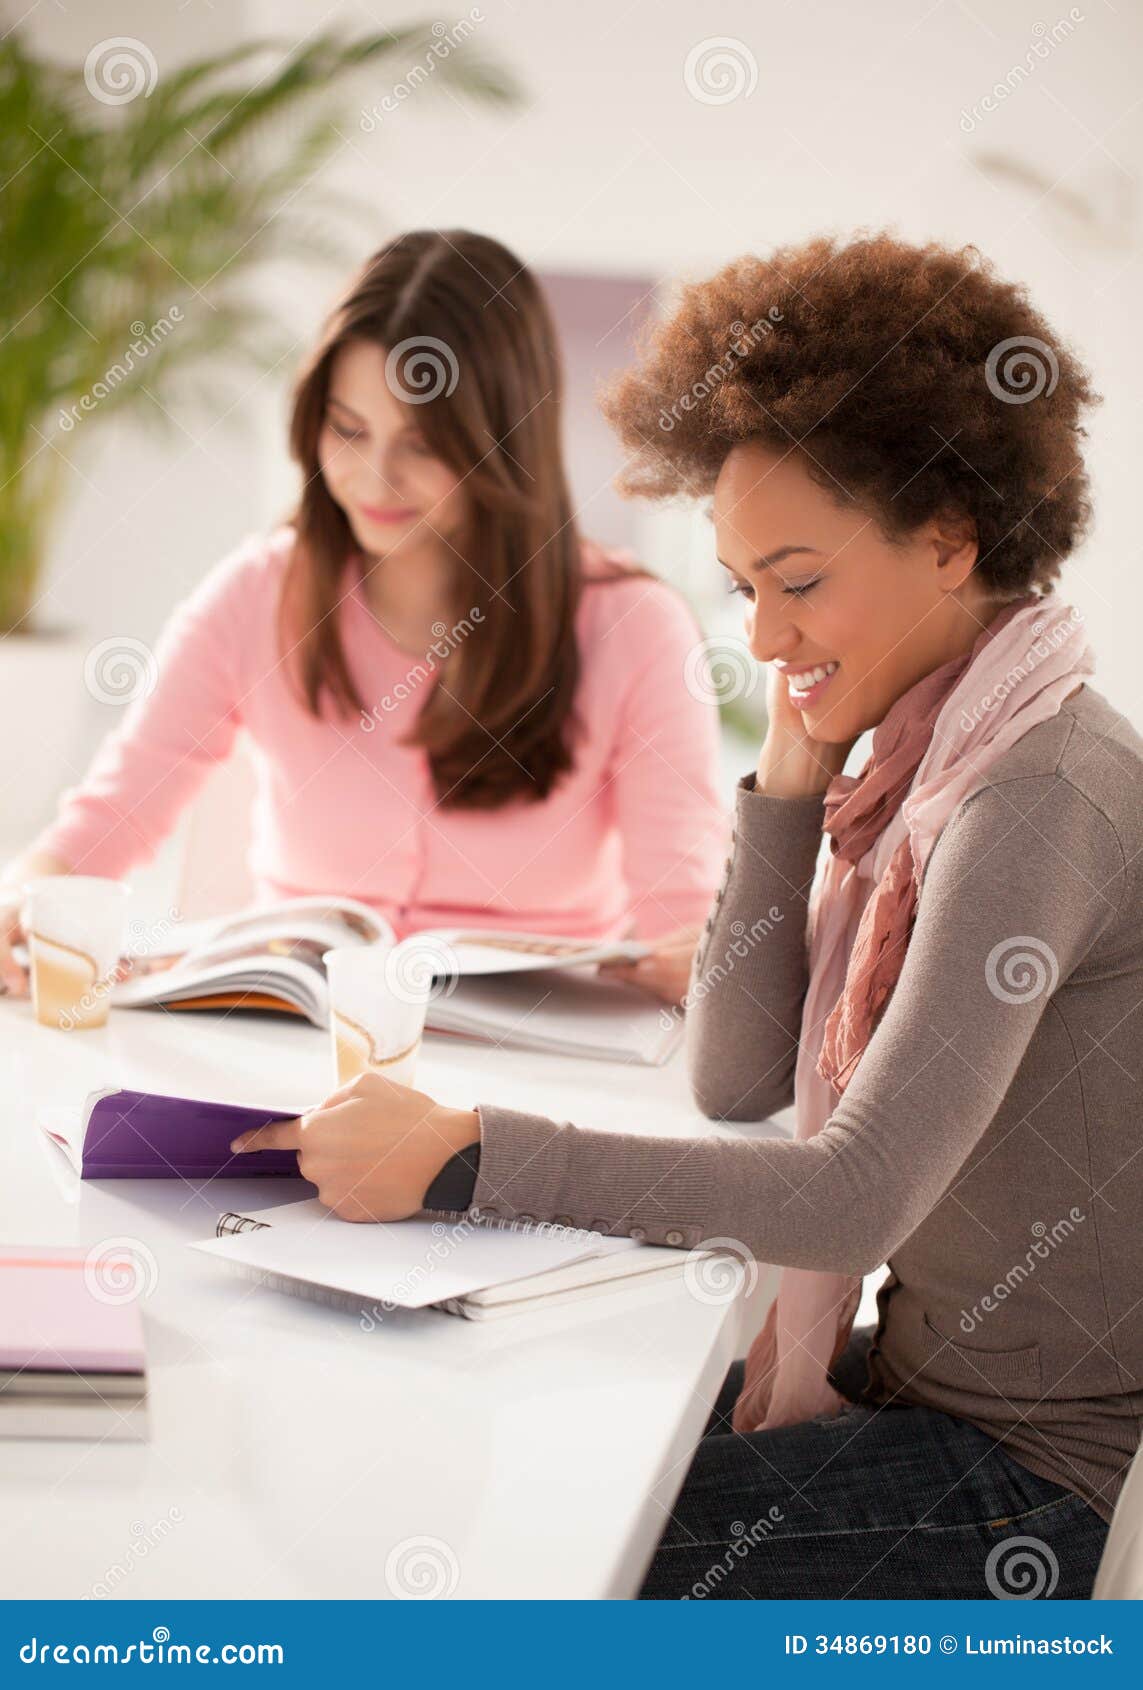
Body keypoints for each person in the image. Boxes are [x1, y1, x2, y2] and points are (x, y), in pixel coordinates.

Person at [231, 231, 1143, 1599]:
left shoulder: (1034, 794)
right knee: (502, 1454)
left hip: (1023, 1481)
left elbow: (848, 1194)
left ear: (950, 541)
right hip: (913, 1394)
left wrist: (468, 1152)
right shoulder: (926, 761)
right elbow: (733, 1074)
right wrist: (782, 790)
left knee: (569, 1555)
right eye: (741, 588)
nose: (764, 639)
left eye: (799, 579)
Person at [0, 229, 726, 996]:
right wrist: (24, 901)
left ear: (505, 441)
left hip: (521, 1072)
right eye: (348, 430)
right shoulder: (258, 592)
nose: (373, 477)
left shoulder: (633, 626)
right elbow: (108, 818)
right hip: (293, 1039)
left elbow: (684, 929)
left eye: (420, 443)